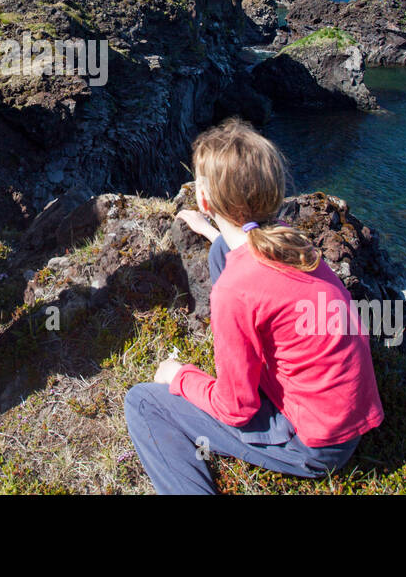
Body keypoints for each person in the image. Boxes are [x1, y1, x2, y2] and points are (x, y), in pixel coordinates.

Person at [124, 117, 384, 494]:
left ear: (204, 199)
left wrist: (178, 376)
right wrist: (213, 232)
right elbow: (249, 258)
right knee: (219, 251)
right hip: (344, 418)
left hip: (312, 445)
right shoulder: (296, 245)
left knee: (144, 402)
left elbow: (236, 409)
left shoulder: (236, 289)